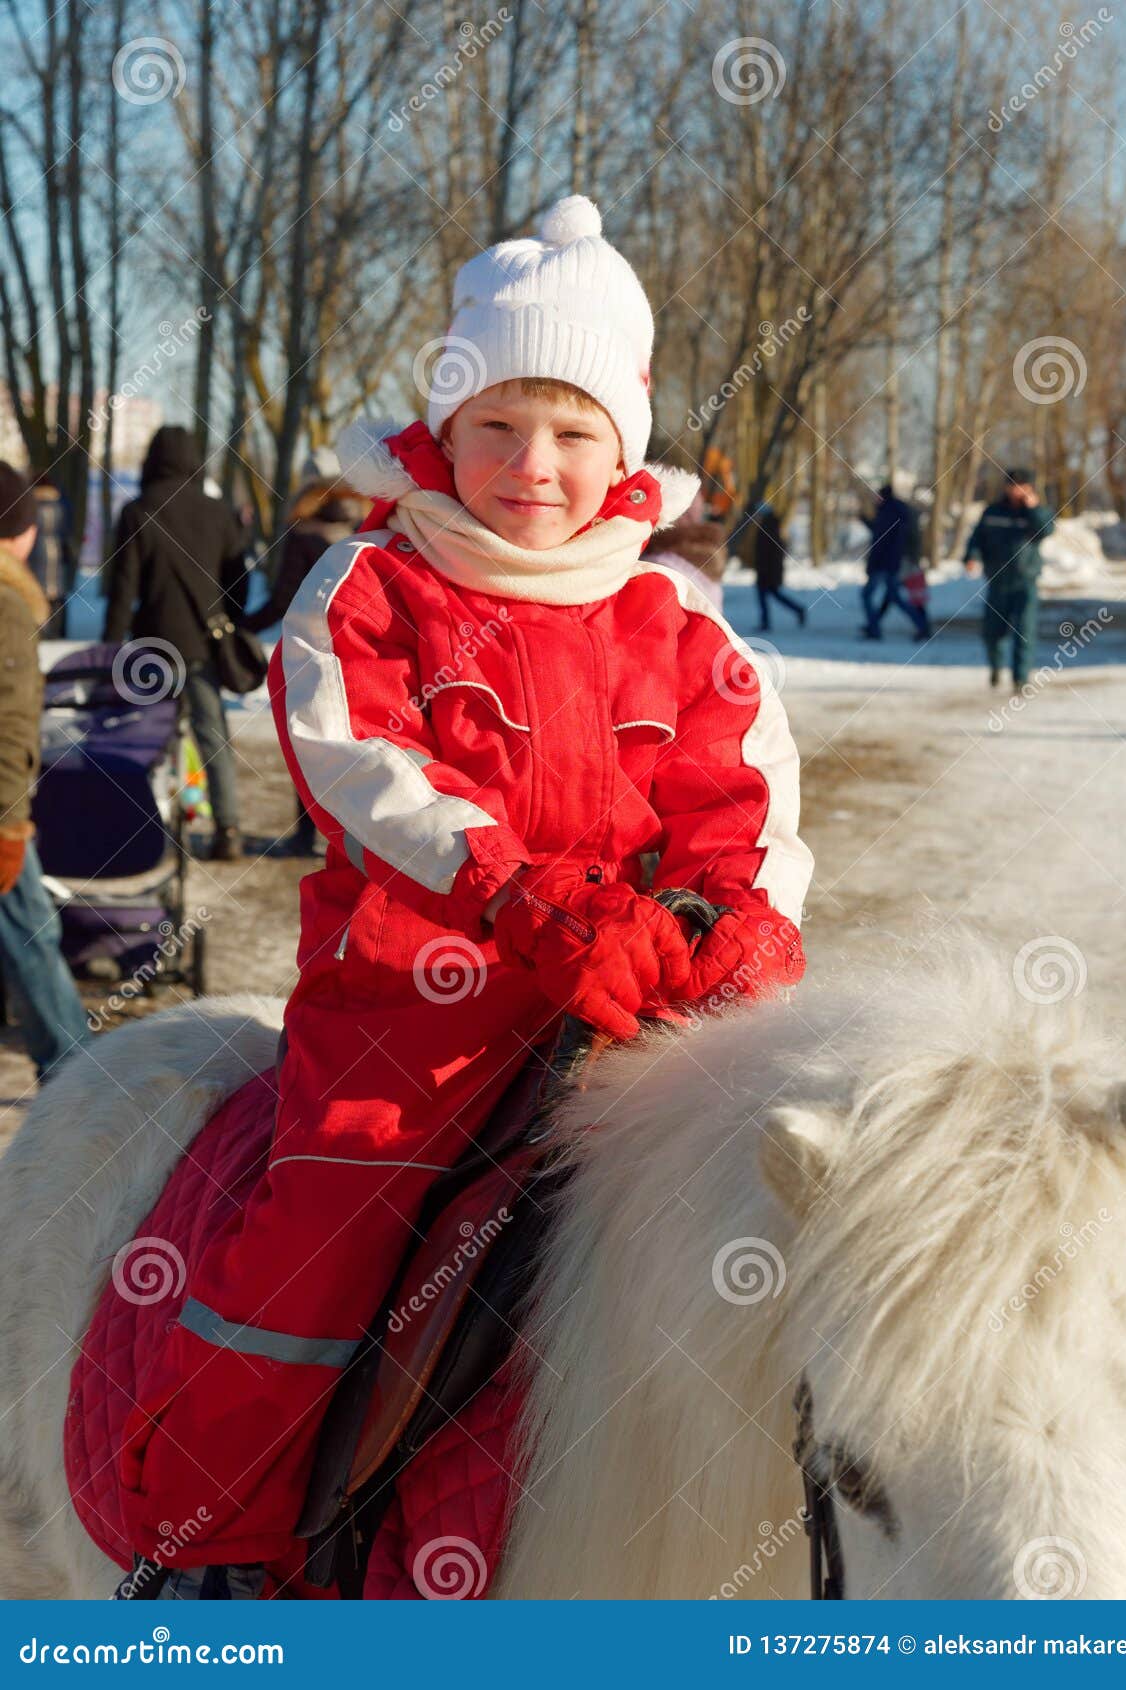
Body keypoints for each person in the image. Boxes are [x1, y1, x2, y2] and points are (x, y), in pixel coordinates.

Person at [114, 194, 814, 1584]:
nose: (532, 465)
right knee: (333, 1219)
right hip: (420, 997)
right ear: (443, 430)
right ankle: (219, 1533)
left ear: (622, 444)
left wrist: (730, 927)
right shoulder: (375, 585)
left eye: (570, 432)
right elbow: (358, 757)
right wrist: (513, 893)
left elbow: (746, 791)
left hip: (636, 1006)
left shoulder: (675, 620)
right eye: (497, 424)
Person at [103, 427, 247, 860]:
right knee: (212, 736)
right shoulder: (218, 513)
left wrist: (108, 652)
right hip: (202, 646)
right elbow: (239, 581)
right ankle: (229, 829)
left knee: (145, 737)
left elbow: (123, 592)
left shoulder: (136, 512)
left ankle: (140, 828)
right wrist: (228, 620)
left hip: (151, 648)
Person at [0, 463, 91, 1084]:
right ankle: (76, 1075)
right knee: (31, 933)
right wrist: (9, 824)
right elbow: (8, 721)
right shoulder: (7, 600)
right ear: (23, 531)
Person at [240, 455, 369, 857]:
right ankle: (362, 841)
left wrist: (241, 625)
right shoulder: (369, 528)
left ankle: (306, 834)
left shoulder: (301, 533)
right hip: (366, 653)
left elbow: (284, 599)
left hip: (315, 653)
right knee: (363, 748)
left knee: (310, 743)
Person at [964, 468, 1055, 689]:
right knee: (992, 632)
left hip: (1025, 581)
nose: (1017, 491)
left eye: (1022, 486)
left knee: (1024, 631)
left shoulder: (1036, 513)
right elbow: (977, 538)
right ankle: (995, 668)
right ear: (1006, 487)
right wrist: (972, 556)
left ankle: (1020, 678)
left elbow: (1047, 530)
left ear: (1030, 488)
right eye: (1013, 486)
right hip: (998, 580)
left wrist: (1033, 508)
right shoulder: (993, 512)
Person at [860, 484, 928, 641]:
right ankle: (920, 626)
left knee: (869, 595)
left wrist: (872, 564)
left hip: (883, 563)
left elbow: (881, 541)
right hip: (894, 562)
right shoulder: (899, 513)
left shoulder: (886, 513)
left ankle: (874, 628)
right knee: (894, 597)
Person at [28, 472, 76, 640]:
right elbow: (69, 534)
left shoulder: (29, 506)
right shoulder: (64, 505)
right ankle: (58, 635)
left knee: (35, 603)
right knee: (57, 602)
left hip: (35, 561)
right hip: (57, 563)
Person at [750, 500, 807, 632]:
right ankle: (797, 610)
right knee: (770, 596)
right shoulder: (769, 526)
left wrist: (766, 569)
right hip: (768, 570)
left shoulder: (768, 528)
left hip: (768, 571)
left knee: (768, 596)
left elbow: (771, 553)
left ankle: (768, 621)